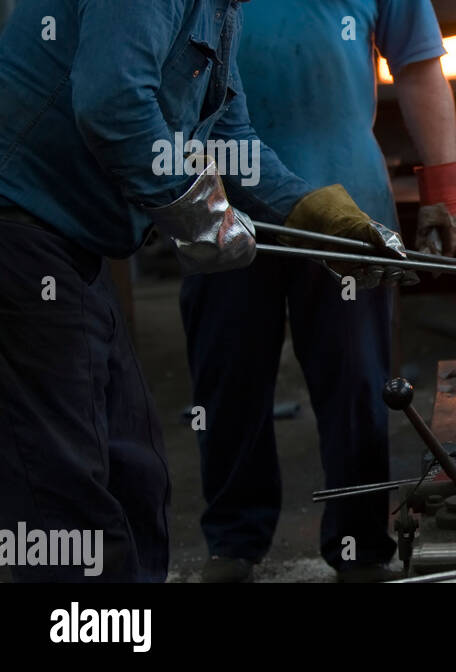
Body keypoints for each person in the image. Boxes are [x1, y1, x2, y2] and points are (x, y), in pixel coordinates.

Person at [0, 0, 412, 582]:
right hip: (21, 235)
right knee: (63, 484)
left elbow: (229, 136)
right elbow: (112, 103)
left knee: (133, 469)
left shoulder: (219, 9)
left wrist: (310, 211)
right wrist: (197, 210)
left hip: (71, 247)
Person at [187, 0, 456, 583]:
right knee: (228, 381)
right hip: (220, 203)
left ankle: (361, 544)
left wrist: (443, 184)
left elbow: (418, 64)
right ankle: (235, 544)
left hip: (345, 205)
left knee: (357, 384)